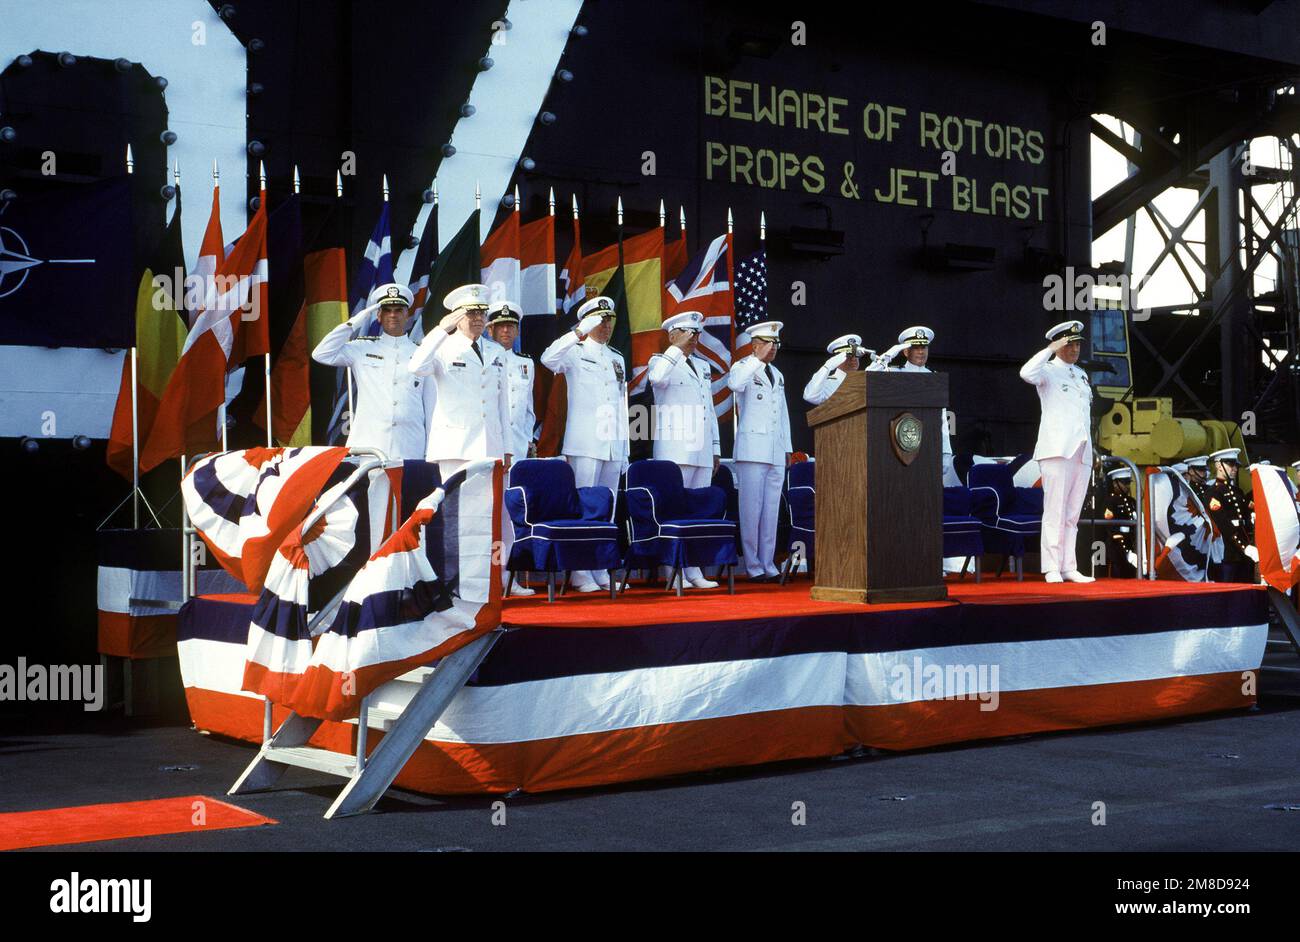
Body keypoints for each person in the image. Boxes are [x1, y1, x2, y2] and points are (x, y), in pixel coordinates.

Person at [539, 295, 629, 592]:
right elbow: (548, 358)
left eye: (608, 320)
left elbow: (621, 404)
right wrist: (578, 332)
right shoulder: (574, 352)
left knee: (608, 510)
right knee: (583, 510)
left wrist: (625, 448)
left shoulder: (617, 358)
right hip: (585, 443)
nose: (605, 326)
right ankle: (579, 571)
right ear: (587, 321)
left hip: (612, 444)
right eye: (599, 320)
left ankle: (601, 567)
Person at [407, 283, 513, 482]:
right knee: (454, 508)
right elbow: (415, 367)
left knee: (489, 508)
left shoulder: (496, 351)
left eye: (482, 313)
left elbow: (502, 405)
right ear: (456, 318)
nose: (478, 318)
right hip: (455, 447)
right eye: (471, 313)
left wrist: (507, 448)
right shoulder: (443, 346)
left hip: (491, 445)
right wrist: (440, 330)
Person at [647, 310, 721, 589]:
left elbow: (709, 408)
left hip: (701, 448)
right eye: (688, 333)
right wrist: (676, 349)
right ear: (672, 334)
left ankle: (693, 569)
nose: (694, 338)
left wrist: (715, 447)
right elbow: (656, 379)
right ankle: (672, 568)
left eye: (697, 333)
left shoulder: (702, 367)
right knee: (673, 510)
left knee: (697, 511)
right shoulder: (661, 361)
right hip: (675, 447)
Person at [310, 282, 426, 460]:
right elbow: (321, 353)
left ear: (407, 314)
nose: (393, 315)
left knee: (408, 489)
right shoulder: (362, 348)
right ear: (378, 315)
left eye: (398, 309)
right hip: (370, 443)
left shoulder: (422, 353)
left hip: (410, 444)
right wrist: (357, 319)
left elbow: (431, 403)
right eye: (387, 310)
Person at [1020, 319, 1095, 584]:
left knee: (1073, 513)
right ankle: (1051, 566)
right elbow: (1026, 373)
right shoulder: (1048, 370)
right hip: (1057, 450)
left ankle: (1068, 566)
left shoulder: (1081, 375)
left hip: (1082, 450)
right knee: (1054, 510)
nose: (1074, 349)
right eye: (1069, 344)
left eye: (1077, 344)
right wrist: (1050, 349)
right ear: (1059, 345)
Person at [727, 320, 791, 582]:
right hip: (752, 449)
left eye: (775, 343)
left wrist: (787, 447)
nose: (772, 347)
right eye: (767, 343)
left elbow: (783, 413)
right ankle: (752, 565)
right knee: (751, 509)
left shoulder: (777, 374)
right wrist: (757, 359)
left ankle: (769, 563)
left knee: (771, 510)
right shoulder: (743, 367)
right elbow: (735, 385)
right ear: (755, 345)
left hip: (775, 450)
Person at [873, 325, 957, 485]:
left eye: (924, 347)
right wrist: (891, 353)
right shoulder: (894, 374)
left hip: (928, 445)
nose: (921, 351)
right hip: (898, 446)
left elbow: (942, 420)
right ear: (905, 351)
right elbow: (870, 372)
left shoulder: (934, 378)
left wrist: (946, 452)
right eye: (915, 347)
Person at [483, 300, 537, 461]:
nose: (506, 330)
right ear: (491, 330)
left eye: (511, 326)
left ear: (517, 331)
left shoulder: (526, 363)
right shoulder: (483, 359)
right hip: (492, 438)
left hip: (517, 442)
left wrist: (527, 438)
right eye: (501, 326)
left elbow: (528, 407)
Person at [1204, 447, 1257, 583]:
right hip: (1227, 553)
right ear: (1218, 465)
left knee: (1247, 591)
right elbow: (1224, 525)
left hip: (1244, 553)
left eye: (1236, 465)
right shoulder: (1213, 493)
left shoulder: (1237, 491)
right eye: (1230, 464)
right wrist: (1244, 547)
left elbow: (1246, 518)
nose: (1234, 468)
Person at [803, 333, 869, 406]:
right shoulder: (828, 383)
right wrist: (827, 366)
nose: (854, 359)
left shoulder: (864, 380)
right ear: (838, 359)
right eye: (849, 356)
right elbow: (810, 396)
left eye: (856, 355)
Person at [1102, 467, 1138, 577]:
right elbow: (1108, 523)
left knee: (1131, 574)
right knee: (1117, 574)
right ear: (1115, 483)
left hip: (1130, 542)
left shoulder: (1131, 501)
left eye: (1128, 482)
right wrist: (1120, 534)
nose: (1127, 486)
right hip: (1117, 545)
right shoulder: (1110, 501)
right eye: (1124, 483)